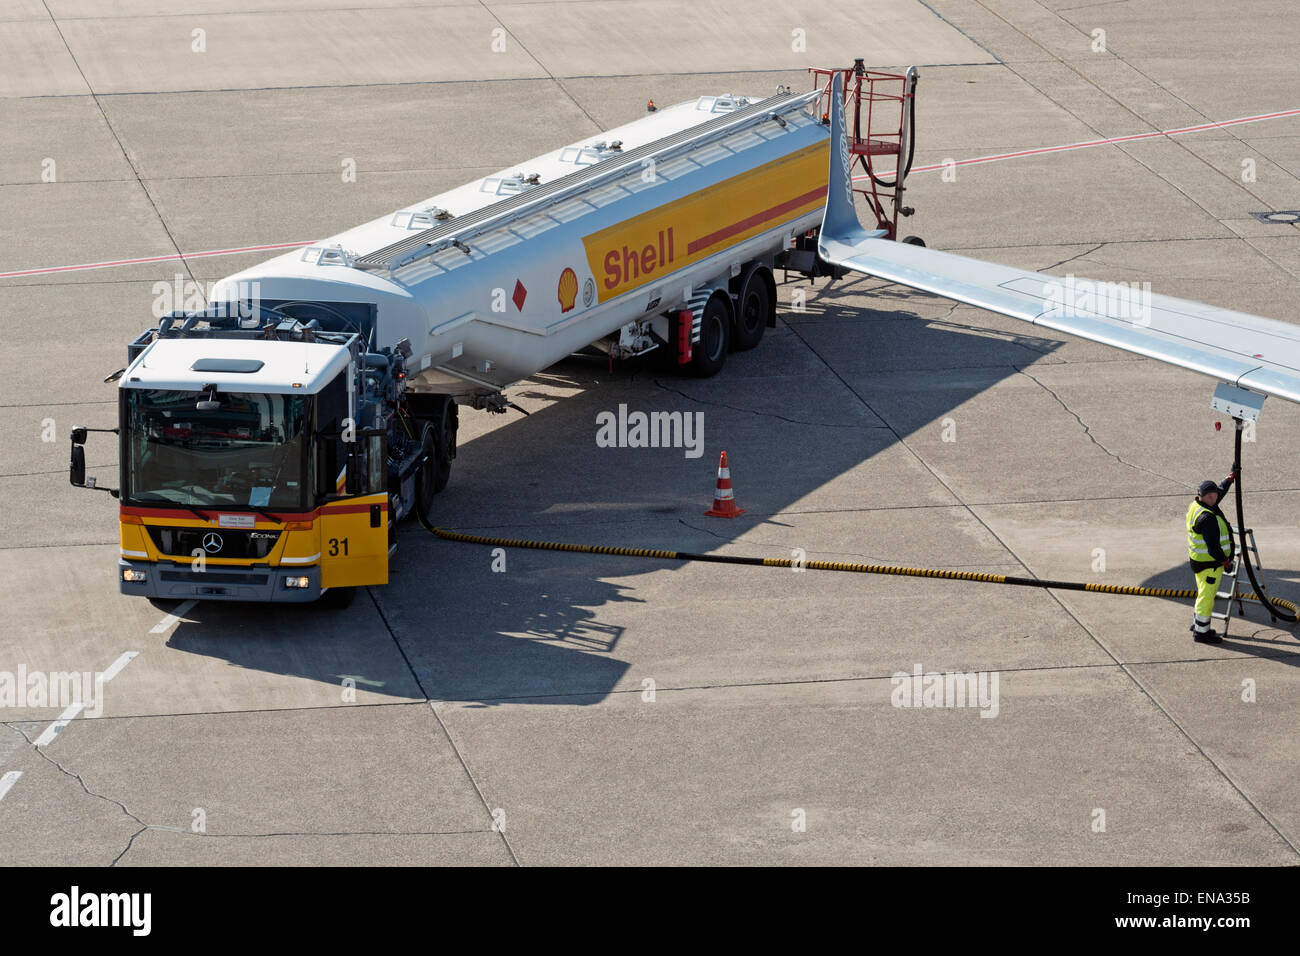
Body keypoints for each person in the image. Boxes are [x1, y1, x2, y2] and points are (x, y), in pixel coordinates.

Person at [1186, 471, 1238, 643]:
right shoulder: (1207, 518)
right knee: (1207, 598)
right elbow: (1214, 547)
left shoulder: (1198, 505)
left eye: (1215, 495)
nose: (1215, 498)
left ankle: (1197, 624)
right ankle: (1201, 633)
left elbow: (1219, 492)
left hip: (1197, 561)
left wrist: (1228, 480)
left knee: (1202, 593)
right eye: (1212, 496)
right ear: (1205, 496)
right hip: (1210, 564)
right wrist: (1225, 561)